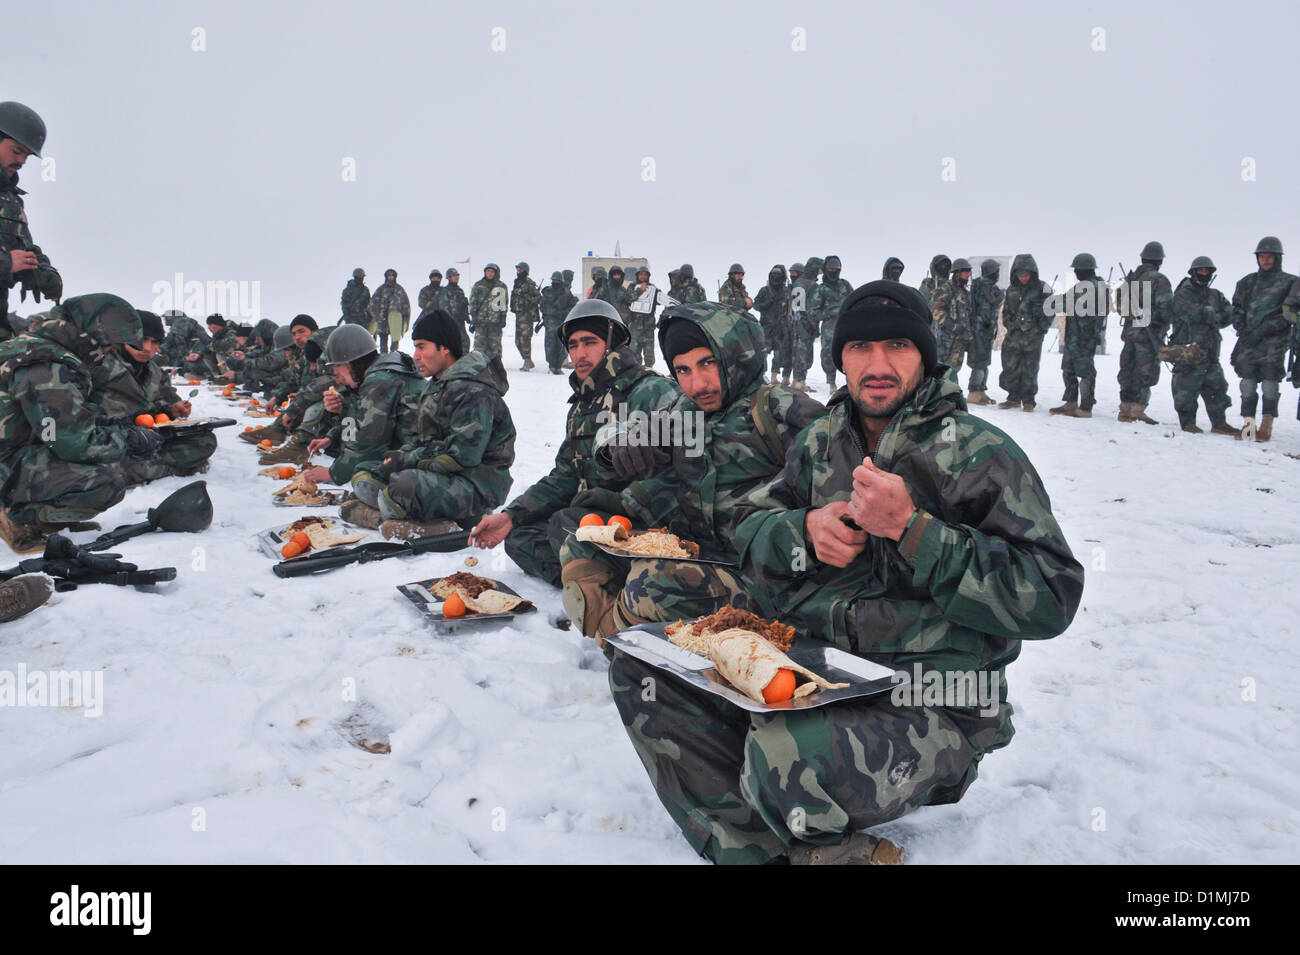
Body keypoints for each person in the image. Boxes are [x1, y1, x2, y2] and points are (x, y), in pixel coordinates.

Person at [603, 280, 1083, 865]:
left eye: (898, 346)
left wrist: (916, 531)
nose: (877, 365)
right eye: (859, 349)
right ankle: (772, 853)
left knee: (783, 756)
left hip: (931, 699)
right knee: (642, 672)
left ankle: (793, 817)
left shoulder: (979, 452)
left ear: (924, 356)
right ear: (840, 358)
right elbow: (752, 529)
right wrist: (800, 531)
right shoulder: (821, 443)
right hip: (820, 670)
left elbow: (1053, 596)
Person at [557, 301, 823, 640]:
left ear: (735, 354)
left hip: (765, 579)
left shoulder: (780, 409)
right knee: (581, 543)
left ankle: (626, 643)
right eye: (682, 370)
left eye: (707, 363)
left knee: (653, 583)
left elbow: (839, 479)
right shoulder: (685, 411)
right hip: (703, 556)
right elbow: (617, 431)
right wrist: (617, 446)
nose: (698, 384)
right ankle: (622, 639)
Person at [470, 300, 677, 586]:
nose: (579, 354)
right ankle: (593, 578)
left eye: (589, 342)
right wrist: (511, 515)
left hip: (646, 526)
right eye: (573, 345)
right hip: (591, 522)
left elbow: (689, 465)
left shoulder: (650, 390)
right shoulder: (583, 405)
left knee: (566, 524)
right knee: (520, 536)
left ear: (612, 343)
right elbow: (566, 475)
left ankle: (628, 579)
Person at [0, 294, 163, 553]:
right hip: (7, 462)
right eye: (110, 345)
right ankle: (15, 515)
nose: (111, 352)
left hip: (15, 451)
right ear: (94, 335)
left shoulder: (39, 349)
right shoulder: (47, 365)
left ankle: (44, 516)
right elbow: (67, 441)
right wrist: (128, 440)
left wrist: (112, 424)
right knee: (106, 480)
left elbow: (53, 424)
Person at [348, 310, 515, 539]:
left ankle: (441, 527)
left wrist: (406, 461)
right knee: (366, 471)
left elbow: (461, 456)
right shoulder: (437, 386)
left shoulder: (474, 391)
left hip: (477, 486)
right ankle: (392, 512)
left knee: (404, 485)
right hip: (445, 476)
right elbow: (423, 441)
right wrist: (396, 458)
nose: (415, 356)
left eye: (421, 347)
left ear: (444, 348)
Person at [289, 324, 423, 501]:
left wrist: (333, 473)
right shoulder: (375, 375)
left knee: (365, 476)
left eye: (338, 365)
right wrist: (332, 436)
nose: (335, 373)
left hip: (418, 460)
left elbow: (366, 443)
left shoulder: (381, 380)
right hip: (411, 452)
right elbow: (358, 423)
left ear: (353, 362)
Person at [91, 309, 216, 477]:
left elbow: (160, 401)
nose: (148, 348)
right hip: (109, 440)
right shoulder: (100, 365)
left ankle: (141, 469)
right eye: (142, 339)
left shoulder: (155, 371)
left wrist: (171, 410)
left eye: (155, 342)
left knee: (205, 441)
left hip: (148, 438)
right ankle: (162, 468)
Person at [0, 101, 61, 325]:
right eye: (17, 151)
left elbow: (24, 251)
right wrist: (6, 263)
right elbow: (11, 260)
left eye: (27, 155)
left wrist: (44, 271)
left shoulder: (10, 199)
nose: (22, 161)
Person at [1230, 236, 1295, 442]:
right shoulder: (1247, 282)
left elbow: (1291, 314)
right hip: (1248, 341)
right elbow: (1237, 308)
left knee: (1269, 383)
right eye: (1262, 256)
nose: (1265, 260)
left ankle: (1266, 429)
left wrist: (1267, 328)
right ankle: (1248, 428)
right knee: (1247, 383)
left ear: (1278, 258)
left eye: (1270, 257)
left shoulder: (1291, 282)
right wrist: (1239, 324)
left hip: (1274, 343)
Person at [1167, 256, 1238, 435]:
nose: (1204, 274)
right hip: (1188, 351)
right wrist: (1209, 314)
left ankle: (1219, 423)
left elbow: (1229, 314)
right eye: (1201, 270)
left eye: (1207, 271)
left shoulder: (1215, 295)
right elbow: (1190, 312)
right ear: (1193, 272)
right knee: (1185, 389)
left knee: (1217, 387)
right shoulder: (1183, 293)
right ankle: (1188, 423)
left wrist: (1213, 316)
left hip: (1211, 352)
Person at [1116, 241, 1173, 425]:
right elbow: (1166, 310)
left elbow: (1121, 308)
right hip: (1149, 335)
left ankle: (1124, 409)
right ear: (1160, 261)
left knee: (1128, 369)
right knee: (1145, 372)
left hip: (1130, 334)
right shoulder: (1160, 280)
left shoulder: (1130, 280)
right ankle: (1137, 411)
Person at [1050, 253, 1108, 418]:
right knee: (1068, 370)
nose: (1075, 272)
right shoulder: (1083, 286)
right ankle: (1070, 403)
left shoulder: (1093, 287)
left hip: (1085, 338)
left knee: (1085, 372)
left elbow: (1067, 301)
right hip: (1073, 337)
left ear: (1085, 270)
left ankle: (1085, 407)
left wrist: (1050, 301)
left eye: (1077, 269)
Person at [997, 254, 1054, 411]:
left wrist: (1039, 330)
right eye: (1020, 275)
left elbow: (1050, 311)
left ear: (1032, 273)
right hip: (1014, 336)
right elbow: (1006, 312)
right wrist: (1011, 326)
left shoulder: (1044, 289)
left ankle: (1029, 400)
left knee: (1030, 368)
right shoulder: (1012, 290)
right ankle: (1013, 397)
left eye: (1026, 274)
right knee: (1010, 366)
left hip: (1033, 337)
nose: (1023, 278)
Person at [811, 254, 853, 391]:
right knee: (828, 355)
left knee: (849, 352)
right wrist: (829, 313)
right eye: (830, 269)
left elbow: (853, 300)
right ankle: (831, 383)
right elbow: (813, 313)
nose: (833, 272)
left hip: (846, 325)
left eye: (836, 269)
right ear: (825, 269)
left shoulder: (845, 285)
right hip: (829, 329)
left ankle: (851, 379)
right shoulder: (820, 289)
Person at [928, 257, 974, 376]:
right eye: (966, 272)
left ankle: (950, 391)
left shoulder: (965, 292)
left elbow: (967, 314)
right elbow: (936, 309)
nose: (968, 275)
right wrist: (952, 326)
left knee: (954, 370)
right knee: (942, 370)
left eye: (969, 272)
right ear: (957, 273)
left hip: (959, 340)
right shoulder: (946, 289)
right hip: (946, 340)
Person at [966, 259, 1003, 405]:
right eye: (996, 271)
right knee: (980, 362)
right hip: (982, 329)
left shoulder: (976, 284)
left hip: (980, 328)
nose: (998, 275)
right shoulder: (988, 286)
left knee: (982, 362)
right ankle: (974, 393)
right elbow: (998, 299)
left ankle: (980, 392)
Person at [468, 263, 509, 381]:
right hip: (481, 322)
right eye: (488, 271)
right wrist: (474, 317)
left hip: (495, 323)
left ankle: (495, 370)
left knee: (494, 348)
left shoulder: (501, 287)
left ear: (496, 273)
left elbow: (503, 304)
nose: (490, 273)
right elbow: (473, 302)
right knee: (479, 347)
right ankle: (477, 369)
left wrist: (502, 318)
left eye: (492, 271)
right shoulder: (478, 285)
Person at [753, 264, 792, 386]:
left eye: (778, 275)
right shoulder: (764, 290)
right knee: (763, 352)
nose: (775, 277)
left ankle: (774, 377)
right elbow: (756, 305)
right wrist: (767, 304)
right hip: (766, 328)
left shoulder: (786, 291)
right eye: (773, 274)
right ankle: (761, 376)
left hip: (781, 328)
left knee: (780, 354)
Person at [790, 256, 822, 392]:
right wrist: (808, 324)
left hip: (802, 323)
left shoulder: (802, 282)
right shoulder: (806, 284)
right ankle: (798, 383)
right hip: (803, 323)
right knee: (801, 354)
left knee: (805, 355)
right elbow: (799, 307)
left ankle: (801, 382)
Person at [539, 270, 578, 374]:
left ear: (561, 281)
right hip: (550, 323)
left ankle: (559, 366)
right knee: (550, 345)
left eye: (557, 280)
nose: (555, 282)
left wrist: (564, 313)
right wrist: (554, 312)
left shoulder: (566, 293)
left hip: (562, 322)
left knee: (562, 345)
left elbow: (571, 306)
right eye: (553, 280)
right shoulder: (547, 292)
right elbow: (543, 306)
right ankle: (552, 366)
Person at [625, 265, 661, 368]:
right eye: (641, 274)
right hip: (635, 327)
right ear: (637, 276)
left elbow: (659, 300)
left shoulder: (653, 288)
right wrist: (641, 290)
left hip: (648, 327)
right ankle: (636, 373)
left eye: (645, 274)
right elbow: (629, 298)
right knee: (634, 353)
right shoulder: (632, 286)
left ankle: (649, 372)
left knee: (649, 355)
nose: (643, 276)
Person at [368, 268, 410, 353]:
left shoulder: (399, 289)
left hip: (395, 318)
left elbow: (405, 303)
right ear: (386, 277)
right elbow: (372, 303)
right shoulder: (381, 289)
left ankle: (394, 356)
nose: (390, 277)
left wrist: (405, 317)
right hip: (382, 318)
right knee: (383, 341)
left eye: (392, 276)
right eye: (389, 276)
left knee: (395, 341)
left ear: (395, 277)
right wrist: (376, 316)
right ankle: (383, 357)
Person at [510, 261, 541, 371]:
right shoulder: (517, 283)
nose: (518, 271)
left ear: (525, 271)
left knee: (525, 339)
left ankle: (527, 361)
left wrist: (527, 298)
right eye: (517, 269)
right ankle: (527, 360)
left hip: (527, 315)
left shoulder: (529, 283)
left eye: (520, 269)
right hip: (519, 315)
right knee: (517, 341)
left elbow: (538, 298)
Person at [437, 267, 472, 355]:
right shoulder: (445, 291)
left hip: (460, 322)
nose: (456, 277)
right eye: (454, 276)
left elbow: (464, 306)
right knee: (451, 343)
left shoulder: (460, 291)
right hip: (451, 322)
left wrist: (467, 317)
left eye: (457, 275)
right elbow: (444, 307)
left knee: (465, 342)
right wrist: (450, 319)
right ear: (449, 278)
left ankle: (463, 362)